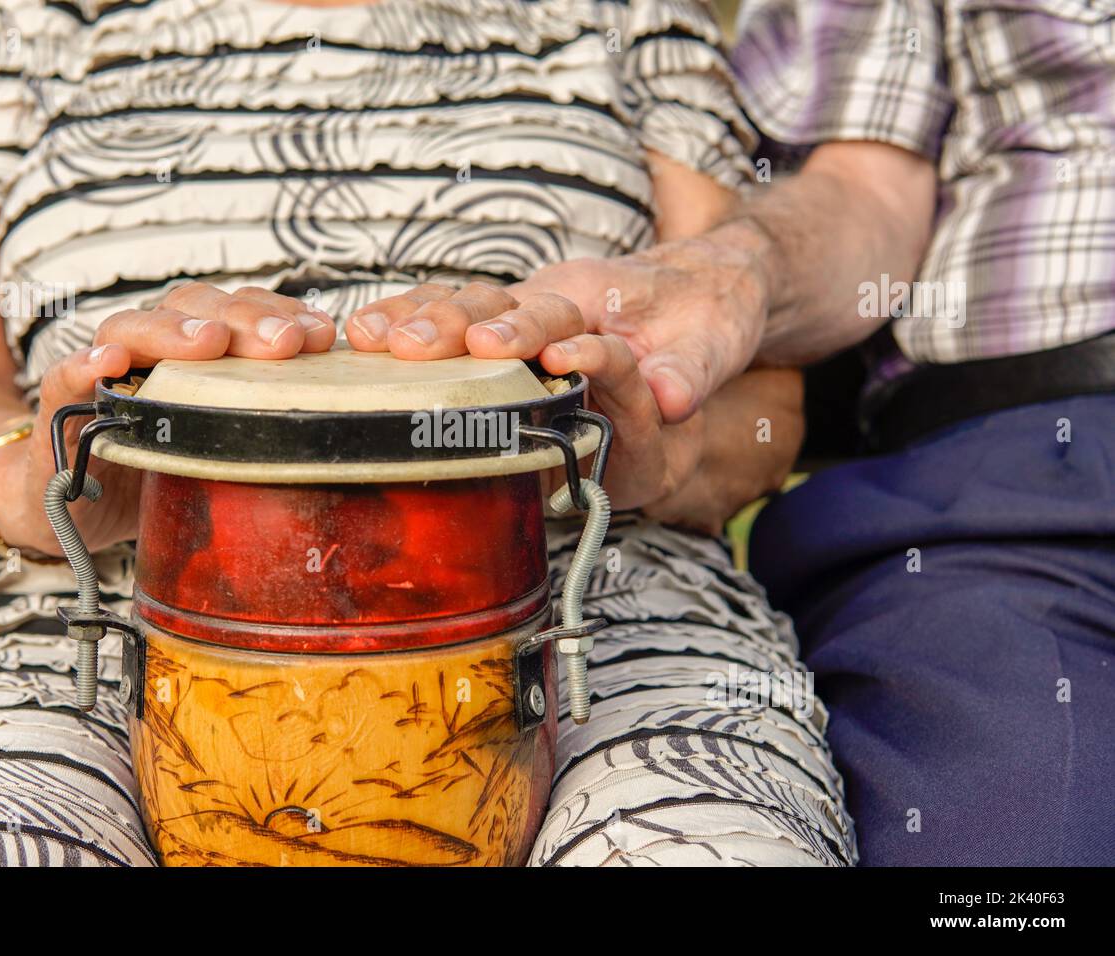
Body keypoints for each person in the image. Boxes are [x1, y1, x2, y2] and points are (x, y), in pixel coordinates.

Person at [0, 0, 853, 866]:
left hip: (597, 601)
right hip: (76, 616)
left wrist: (656, 451)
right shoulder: (42, 17)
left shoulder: (620, 13)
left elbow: (754, 387)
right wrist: (32, 481)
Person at [427, 0, 1115, 865]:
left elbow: (756, 422)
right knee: (1018, 870)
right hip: (1035, 473)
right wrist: (726, 276)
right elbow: (866, 192)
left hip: (646, 610)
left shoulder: (633, 32)